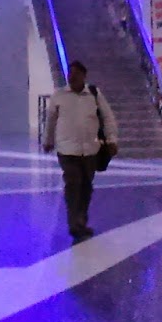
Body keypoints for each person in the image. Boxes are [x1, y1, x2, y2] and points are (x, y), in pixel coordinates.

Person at [43, 60, 119, 242]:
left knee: (86, 186)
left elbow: (108, 118)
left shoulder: (94, 94)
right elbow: (51, 120)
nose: (71, 77)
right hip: (67, 150)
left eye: (76, 74)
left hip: (90, 150)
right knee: (72, 183)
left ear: (84, 76)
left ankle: (81, 220)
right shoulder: (59, 96)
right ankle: (74, 223)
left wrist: (112, 140)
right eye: (70, 74)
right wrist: (48, 140)